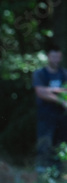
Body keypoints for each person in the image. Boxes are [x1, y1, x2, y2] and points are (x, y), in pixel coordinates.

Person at [33, 41, 67, 170]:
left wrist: (51, 91)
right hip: (46, 115)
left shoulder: (64, 74)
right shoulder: (40, 74)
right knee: (44, 143)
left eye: (58, 57)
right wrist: (60, 98)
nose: (56, 59)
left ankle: (57, 172)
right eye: (53, 56)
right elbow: (40, 92)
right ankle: (42, 171)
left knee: (60, 144)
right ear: (48, 56)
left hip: (61, 116)